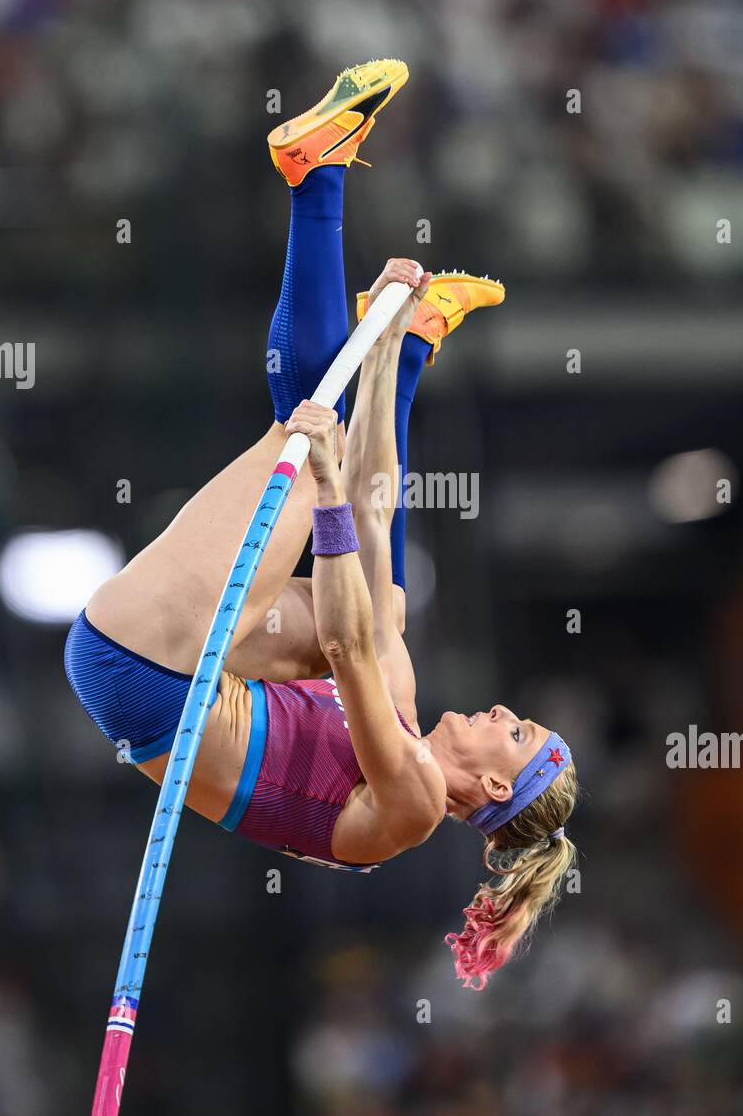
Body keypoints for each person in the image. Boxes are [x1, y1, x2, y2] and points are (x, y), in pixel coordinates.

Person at [66, 61, 577, 988]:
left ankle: (318, 177)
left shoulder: (416, 803)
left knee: (308, 441)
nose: (504, 711)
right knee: (381, 585)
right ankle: (414, 348)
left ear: (497, 787)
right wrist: (385, 352)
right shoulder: (407, 702)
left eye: (514, 731)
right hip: (191, 665)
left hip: (147, 675)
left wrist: (329, 493)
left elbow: (341, 642)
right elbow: (371, 557)